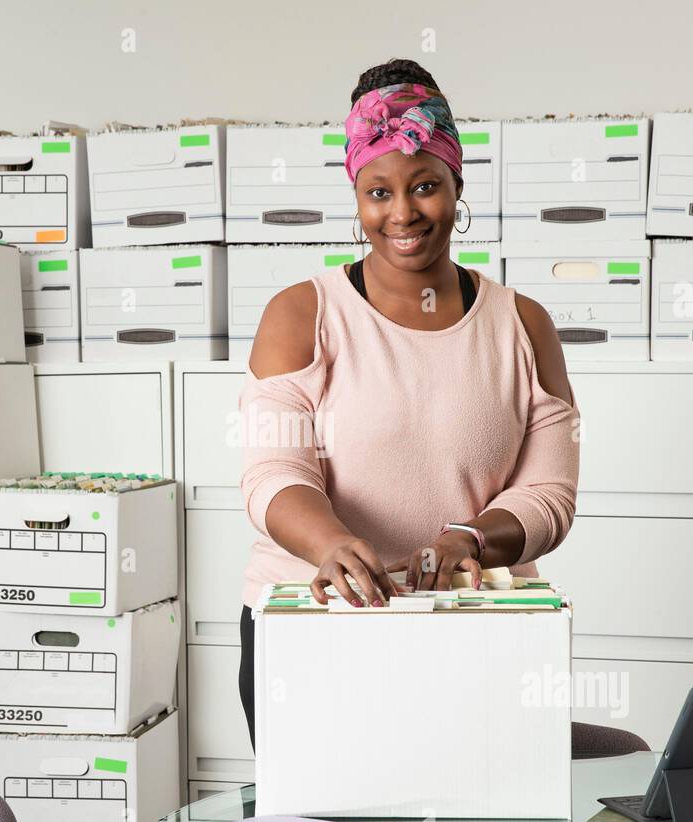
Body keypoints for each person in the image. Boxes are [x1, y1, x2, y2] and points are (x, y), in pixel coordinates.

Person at [236, 58, 580, 748]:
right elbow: (274, 474)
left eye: (424, 186)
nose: (402, 213)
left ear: (456, 183)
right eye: (378, 191)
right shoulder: (303, 314)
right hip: (320, 630)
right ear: (357, 196)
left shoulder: (524, 324)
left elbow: (550, 492)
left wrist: (475, 540)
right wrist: (332, 543)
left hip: (476, 630)